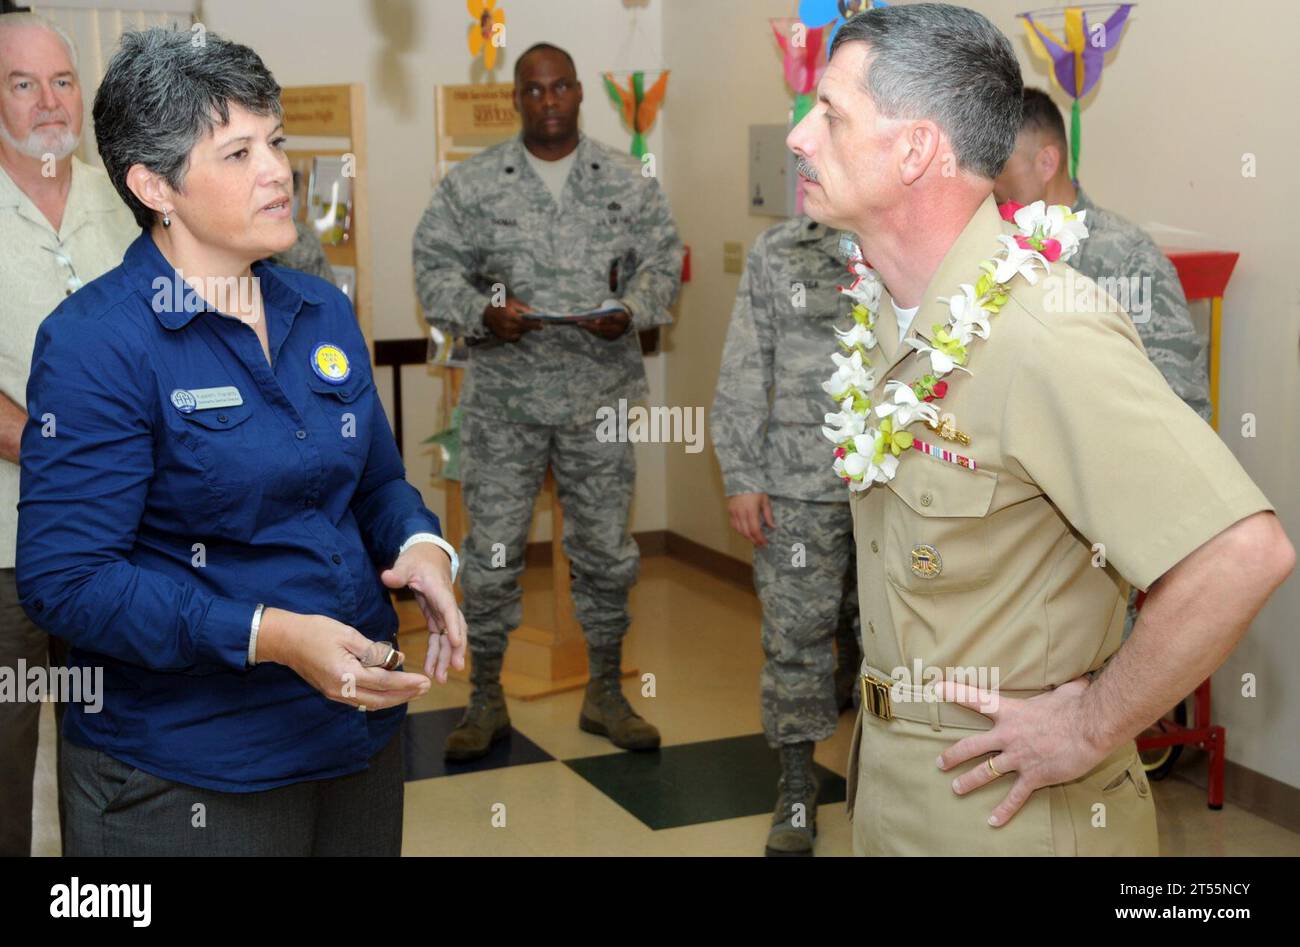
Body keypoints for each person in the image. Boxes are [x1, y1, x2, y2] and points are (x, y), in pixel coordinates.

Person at [786, 3, 1293, 855]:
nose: (800, 137)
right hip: (892, 781)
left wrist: (1091, 727)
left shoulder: (1044, 330)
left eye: (832, 114)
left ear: (916, 150)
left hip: (1009, 808)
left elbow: (1243, 555)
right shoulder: (887, 312)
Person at [16, 27, 466, 856]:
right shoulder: (98, 343)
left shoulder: (317, 309)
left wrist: (424, 546)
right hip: (187, 766)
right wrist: (271, 633)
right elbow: (68, 581)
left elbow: (374, 485)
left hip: (353, 734)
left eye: (277, 141)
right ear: (155, 185)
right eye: (237, 153)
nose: (275, 171)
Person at [413, 43, 683, 761]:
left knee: (605, 552)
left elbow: (664, 263)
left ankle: (605, 694)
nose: (550, 100)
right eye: (534, 90)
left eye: (562, 86)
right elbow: (433, 266)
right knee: (495, 553)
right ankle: (485, 700)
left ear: (578, 93)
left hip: (598, 397)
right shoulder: (474, 185)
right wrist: (481, 313)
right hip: (506, 402)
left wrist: (630, 309)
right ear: (517, 100)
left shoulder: (627, 179)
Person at [995, 87, 1214, 638]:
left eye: (1002, 163)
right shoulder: (992, 252)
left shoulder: (1124, 256)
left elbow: (1180, 403)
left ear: (1046, 162)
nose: (992, 182)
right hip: (1014, 536)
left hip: (1100, 544)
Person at [0, 11, 137, 857]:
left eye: (61, 81)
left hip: (122, 543)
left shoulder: (128, 200)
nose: (48, 101)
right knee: (7, 754)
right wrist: (48, 443)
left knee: (118, 751)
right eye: (22, 83)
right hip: (9, 548)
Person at [710, 215, 861, 856]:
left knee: (908, 641)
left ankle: (894, 783)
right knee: (795, 639)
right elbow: (747, 364)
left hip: (910, 481)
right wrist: (742, 473)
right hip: (801, 482)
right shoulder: (780, 249)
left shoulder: (922, 231)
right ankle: (797, 787)